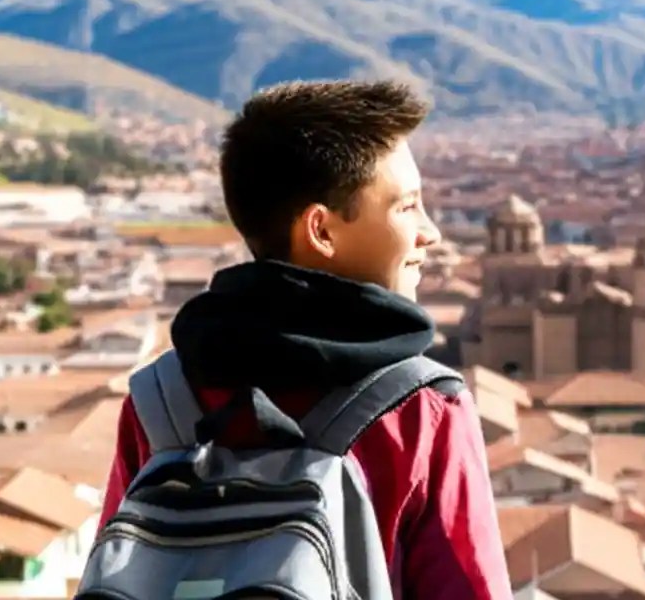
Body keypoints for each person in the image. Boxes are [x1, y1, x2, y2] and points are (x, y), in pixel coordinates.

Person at [99, 80, 514, 599]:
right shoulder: (423, 411)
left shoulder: (160, 400)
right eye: (407, 207)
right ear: (321, 230)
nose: (429, 232)